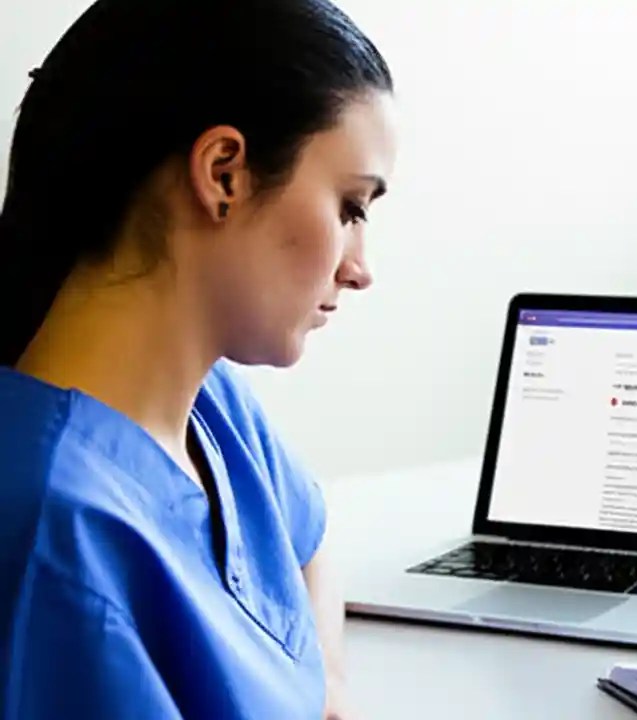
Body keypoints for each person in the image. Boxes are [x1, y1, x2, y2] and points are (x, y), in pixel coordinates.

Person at [0, 1, 396, 718]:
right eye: (349, 208)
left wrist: (327, 691)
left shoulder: (211, 405)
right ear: (223, 173)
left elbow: (307, 549)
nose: (360, 267)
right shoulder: (52, 539)